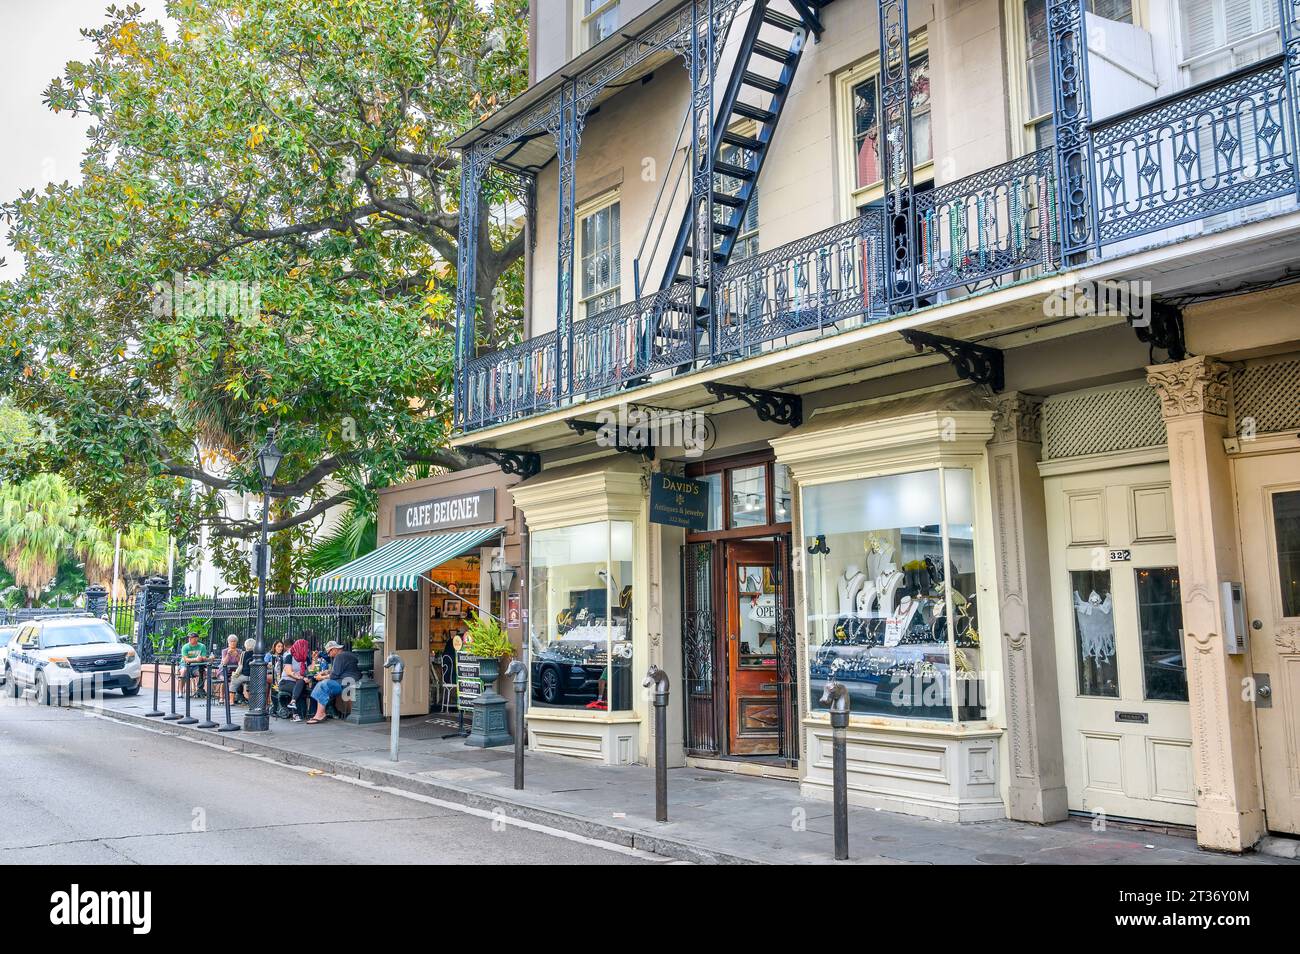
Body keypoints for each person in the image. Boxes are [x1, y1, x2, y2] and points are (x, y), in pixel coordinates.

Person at [306, 640, 361, 723]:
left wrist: (321, 677)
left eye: (329, 652)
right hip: (351, 680)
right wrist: (327, 671)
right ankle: (327, 710)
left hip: (345, 682)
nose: (328, 655)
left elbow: (334, 676)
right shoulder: (347, 654)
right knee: (323, 685)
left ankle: (320, 714)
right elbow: (340, 670)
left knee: (322, 684)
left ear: (334, 649)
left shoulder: (339, 657)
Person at [275, 638, 311, 721]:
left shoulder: (306, 658)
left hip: (298, 683)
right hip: (286, 682)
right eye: (303, 647)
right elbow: (289, 672)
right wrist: (302, 677)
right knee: (300, 685)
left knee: (301, 684)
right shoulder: (289, 656)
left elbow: (310, 671)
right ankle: (296, 714)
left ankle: (293, 702)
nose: (305, 649)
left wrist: (314, 660)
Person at [227, 638, 256, 704]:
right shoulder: (256, 654)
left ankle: (231, 701)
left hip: (245, 675)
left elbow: (240, 664)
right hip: (253, 676)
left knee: (234, 681)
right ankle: (251, 701)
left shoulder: (243, 653)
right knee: (249, 684)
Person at [219, 635, 242, 705]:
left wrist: (237, 655)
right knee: (224, 680)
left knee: (236, 679)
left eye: (234, 641)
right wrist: (228, 654)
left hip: (235, 671)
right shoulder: (224, 651)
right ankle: (221, 697)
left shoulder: (239, 651)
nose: (233, 643)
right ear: (228, 642)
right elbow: (224, 663)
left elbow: (240, 663)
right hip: (224, 671)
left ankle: (234, 698)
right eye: (231, 641)